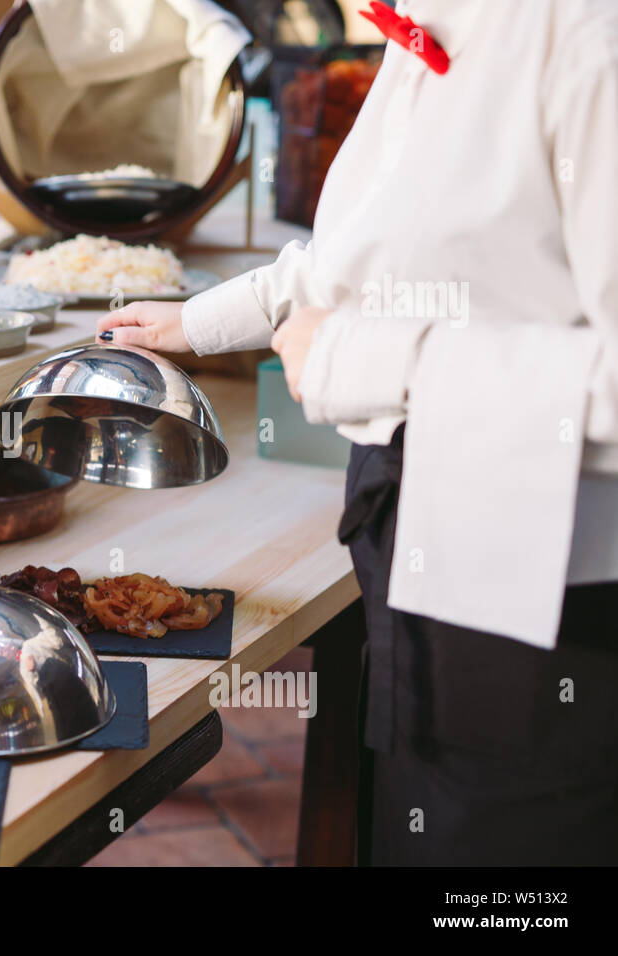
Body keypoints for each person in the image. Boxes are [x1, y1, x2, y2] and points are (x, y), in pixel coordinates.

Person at [98, 0, 618, 866]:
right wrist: (201, 320)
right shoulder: (430, 24)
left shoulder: (584, 32)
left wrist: (379, 361)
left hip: (550, 612)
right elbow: (371, 253)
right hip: (431, 551)